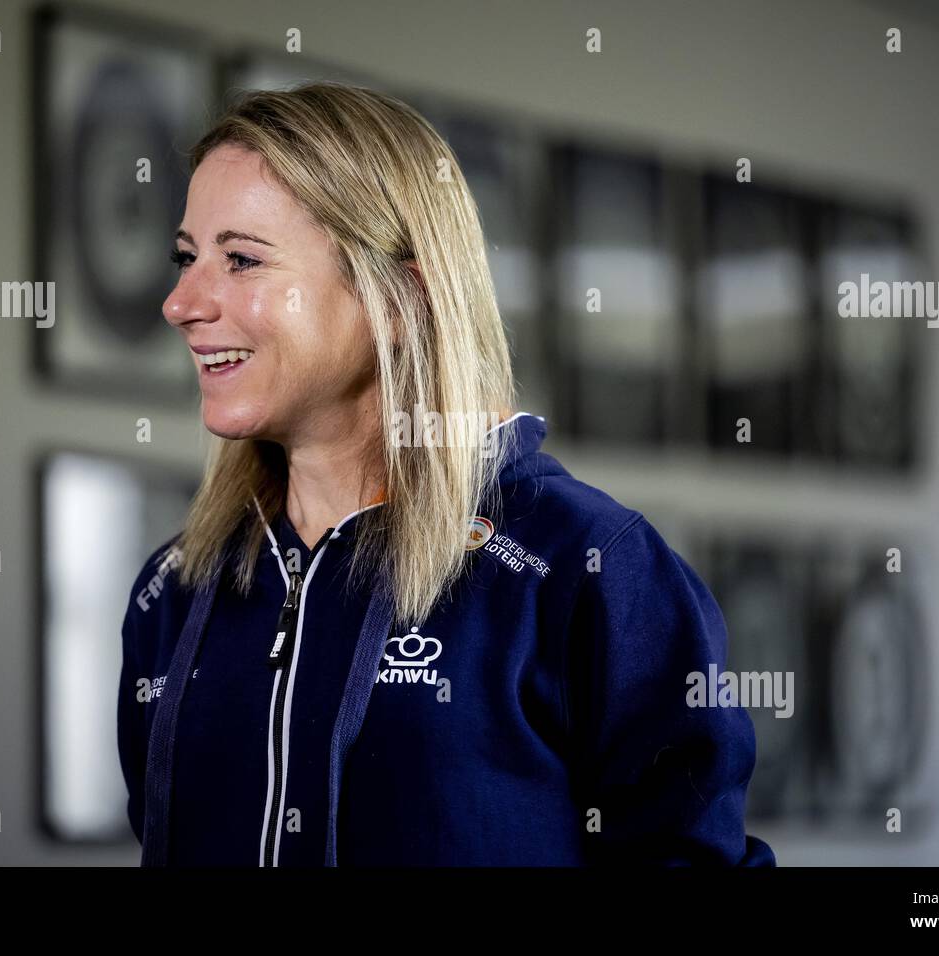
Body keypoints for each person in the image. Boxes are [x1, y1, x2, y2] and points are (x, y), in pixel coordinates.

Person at [117, 81, 775, 867]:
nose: (182, 301)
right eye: (186, 258)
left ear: (399, 298)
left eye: (242, 260)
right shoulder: (174, 590)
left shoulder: (588, 569)